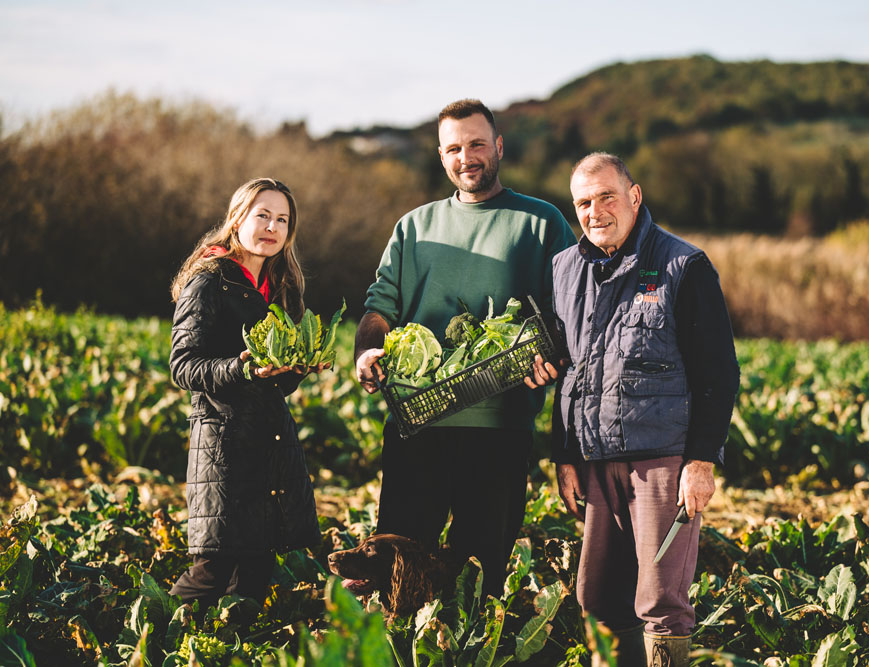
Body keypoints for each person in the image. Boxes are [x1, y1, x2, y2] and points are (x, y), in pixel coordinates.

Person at [354, 99, 577, 597]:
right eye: (454, 147)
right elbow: (379, 307)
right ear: (441, 156)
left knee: (480, 575)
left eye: (476, 143)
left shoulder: (542, 223)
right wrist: (367, 352)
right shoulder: (414, 227)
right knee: (400, 567)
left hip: (498, 431)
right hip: (417, 427)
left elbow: (570, 315)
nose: (466, 156)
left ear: (498, 146)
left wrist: (553, 360)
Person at [526, 153, 740, 666]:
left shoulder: (683, 266)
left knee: (661, 601)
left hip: (663, 464)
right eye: (583, 202)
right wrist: (564, 456)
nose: (595, 211)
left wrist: (701, 462)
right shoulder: (564, 268)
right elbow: (569, 373)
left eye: (607, 196)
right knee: (596, 597)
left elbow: (719, 373)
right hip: (595, 463)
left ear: (635, 196)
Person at [168, 177, 323, 610]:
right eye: (262, 215)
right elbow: (183, 366)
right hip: (224, 446)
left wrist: (297, 367)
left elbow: (276, 385)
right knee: (212, 569)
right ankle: (148, 644)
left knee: (256, 571)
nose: (272, 227)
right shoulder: (209, 281)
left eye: (282, 219)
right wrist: (243, 367)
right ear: (237, 219)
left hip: (269, 444)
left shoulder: (281, 287)